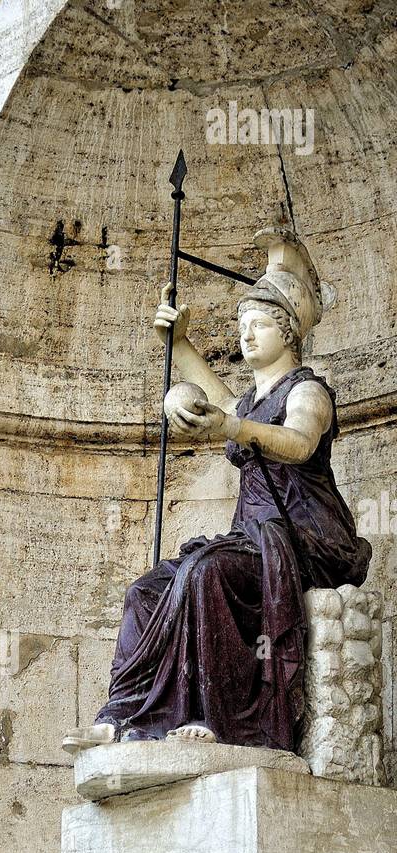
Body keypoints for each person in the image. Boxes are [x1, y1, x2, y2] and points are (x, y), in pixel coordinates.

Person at [80, 228, 371, 751]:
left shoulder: (307, 390)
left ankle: (219, 718)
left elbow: (300, 443)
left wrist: (234, 429)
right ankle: (127, 714)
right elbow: (220, 403)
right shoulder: (252, 399)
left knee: (206, 572)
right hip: (252, 537)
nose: (247, 334)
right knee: (146, 591)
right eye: (242, 325)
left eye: (259, 324)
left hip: (303, 538)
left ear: (288, 332)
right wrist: (179, 343)